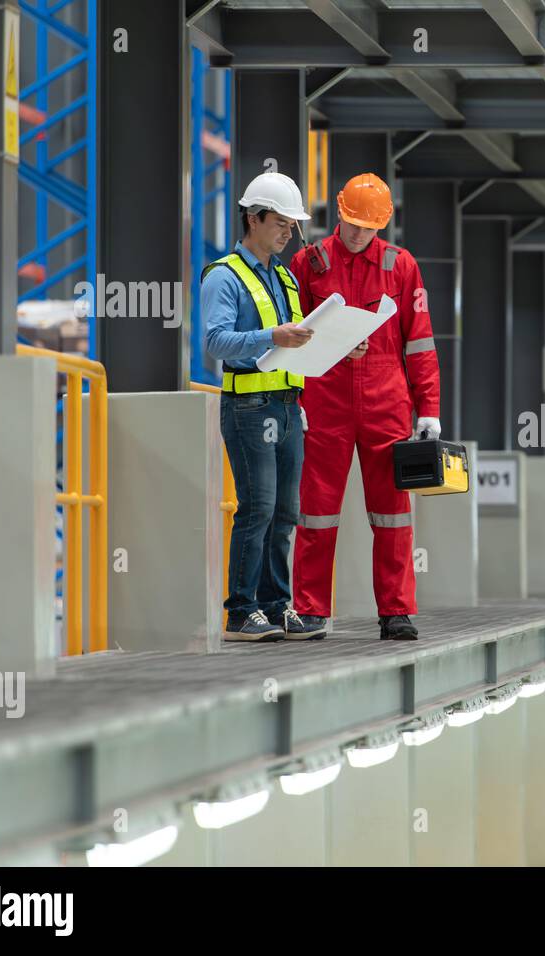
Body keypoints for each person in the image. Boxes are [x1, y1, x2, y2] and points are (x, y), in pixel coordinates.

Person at [289, 173, 441, 640]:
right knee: (316, 509)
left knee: (393, 512)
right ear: (339, 212)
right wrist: (294, 397)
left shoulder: (401, 266)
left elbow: (418, 342)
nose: (358, 234)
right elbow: (291, 334)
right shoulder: (307, 263)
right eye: (353, 223)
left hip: (386, 403)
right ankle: (310, 610)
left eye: (368, 226)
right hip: (325, 399)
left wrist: (428, 408)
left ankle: (396, 611)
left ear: (383, 225)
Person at [202, 171, 326, 641]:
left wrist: (331, 345)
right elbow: (216, 341)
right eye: (281, 222)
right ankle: (240, 610)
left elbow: (293, 343)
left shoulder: (286, 278)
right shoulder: (224, 276)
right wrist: (270, 337)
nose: (288, 232)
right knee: (258, 508)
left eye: (293, 225)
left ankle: (276, 606)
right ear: (253, 218)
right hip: (249, 406)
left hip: (289, 407)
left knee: (285, 512)